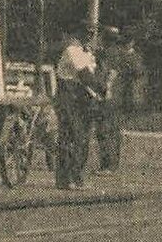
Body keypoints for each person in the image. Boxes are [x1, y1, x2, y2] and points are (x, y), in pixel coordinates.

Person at [54, 29, 103, 188]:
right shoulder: (72, 50)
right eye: (87, 35)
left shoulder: (83, 52)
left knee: (81, 137)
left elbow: (92, 71)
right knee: (72, 136)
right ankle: (67, 178)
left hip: (80, 96)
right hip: (69, 96)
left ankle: (75, 177)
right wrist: (102, 88)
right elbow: (85, 75)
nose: (89, 38)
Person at [95, 26, 135, 173]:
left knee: (105, 130)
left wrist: (104, 92)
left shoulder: (107, 54)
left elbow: (108, 75)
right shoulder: (121, 53)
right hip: (117, 96)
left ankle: (107, 165)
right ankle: (112, 164)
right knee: (114, 130)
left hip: (108, 96)